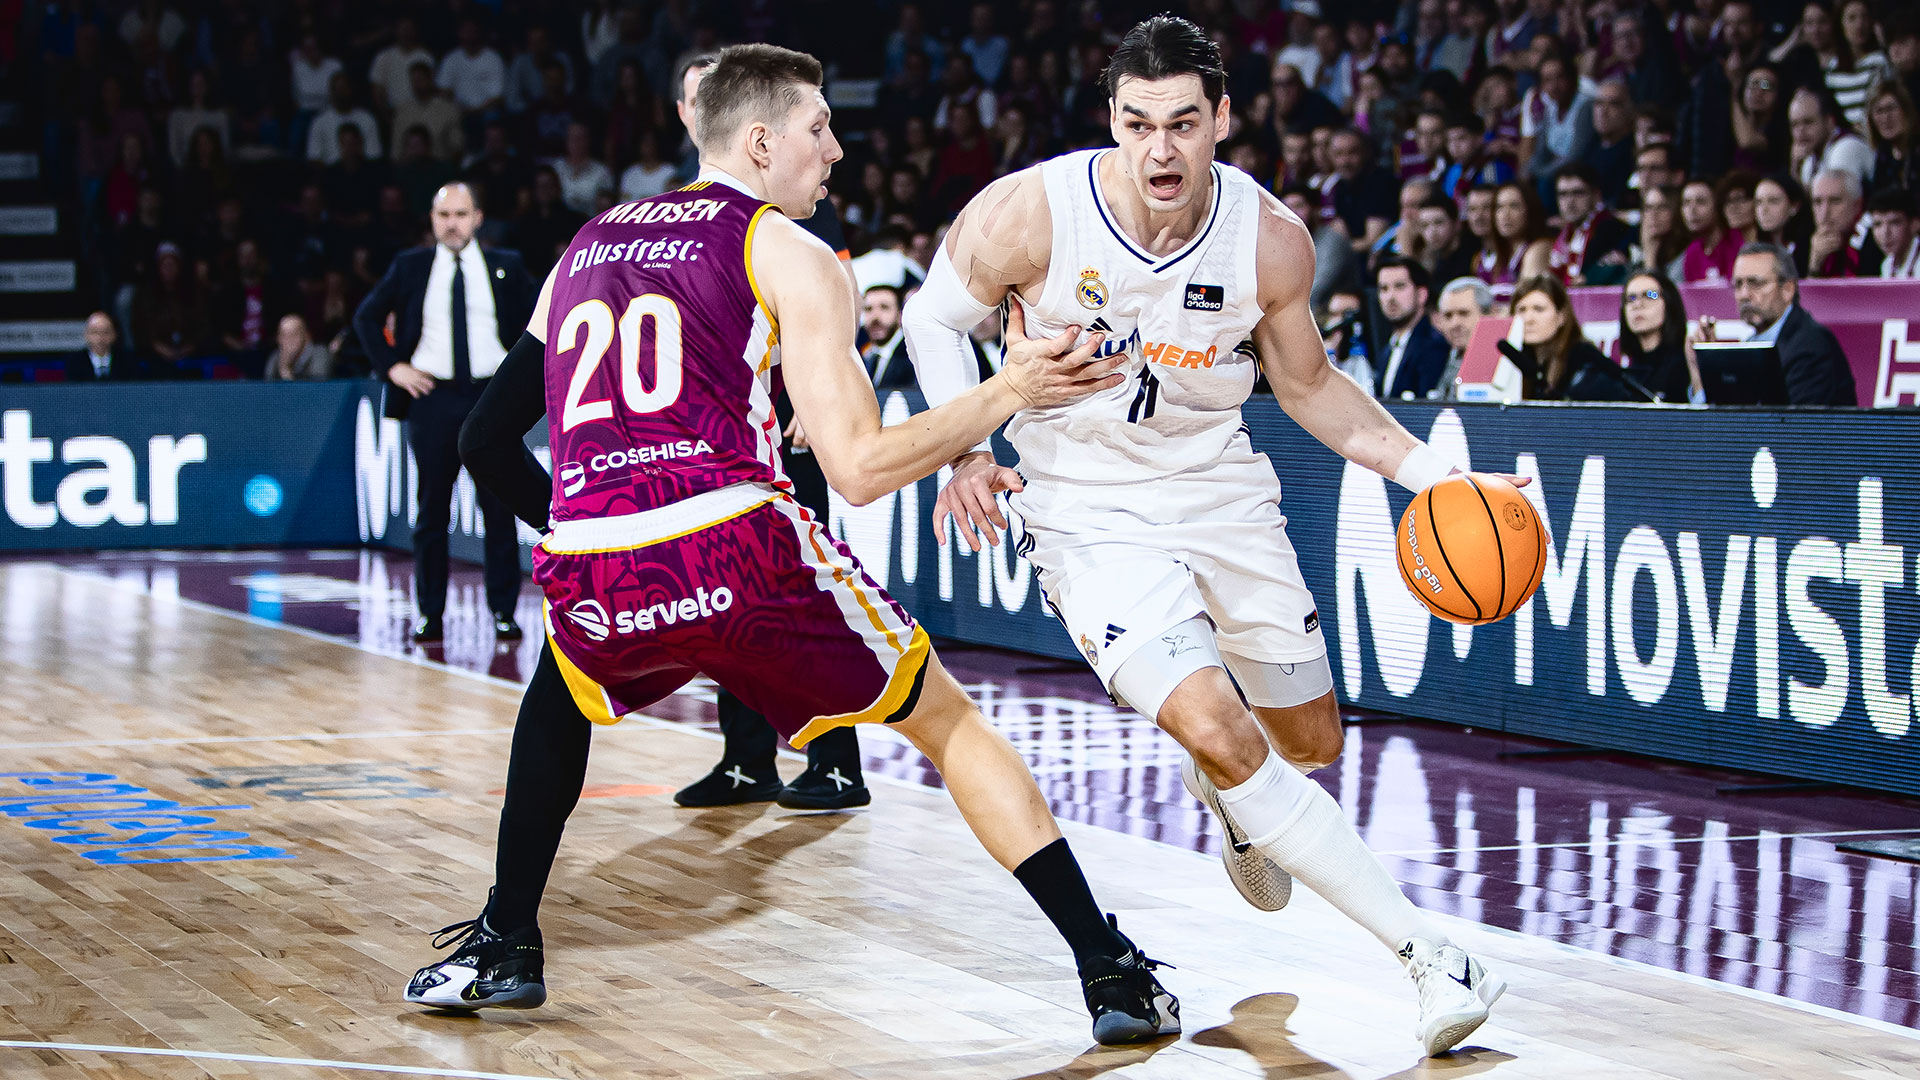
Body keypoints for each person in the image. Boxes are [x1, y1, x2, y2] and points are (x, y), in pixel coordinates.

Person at [410, 43, 1181, 1047]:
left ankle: (506, 939)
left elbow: (489, 433)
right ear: (762, 139)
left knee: (557, 697)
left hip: (598, 559)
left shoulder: (585, 242)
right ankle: (1108, 968)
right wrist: (1007, 394)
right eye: (819, 128)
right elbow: (858, 468)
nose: (838, 149)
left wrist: (576, 530)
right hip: (732, 544)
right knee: (947, 724)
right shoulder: (790, 253)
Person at [906, 17, 1510, 1057]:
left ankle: (1235, 804)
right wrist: (965, 453)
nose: (1161, 149)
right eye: (1139, 124)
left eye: (1184, 122)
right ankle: (1431, 959)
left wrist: (1436, 478)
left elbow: (1312, 386)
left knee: (1309, 743)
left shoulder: (1269, 238)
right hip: (1087, 512)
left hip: (1222, 493)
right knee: (1223, 732)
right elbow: (931, 319)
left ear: (1222, 119)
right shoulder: (1033, 214)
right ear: (1112, 121)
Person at [664, 51, 873, 815]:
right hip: (723, 448)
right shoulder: (680, 212)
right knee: (732, 608)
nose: (697, 107)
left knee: (807, 601)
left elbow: (838, 314)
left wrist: (807, 402)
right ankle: (748, 760)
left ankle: (839, 762)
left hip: (791, 426)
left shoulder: (804, 203)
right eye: (689, 98)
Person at [351, 183, 535, 643]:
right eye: (443, 215)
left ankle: (503, 612)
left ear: (478, 217)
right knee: (431, 510)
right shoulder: (410, 266)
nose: (452, 223)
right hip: (432, 398)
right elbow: (365, 317)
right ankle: (430, 613)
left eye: (461, 213)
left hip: (490, 398)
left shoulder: (505, 267)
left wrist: (521, 382)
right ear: (431, 220)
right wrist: (393, 367)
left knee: (498, 508)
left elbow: (539, 321)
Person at [1724, 242, 1858, 404]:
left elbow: (1795, 424)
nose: (1744, 295)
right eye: (1738, 284)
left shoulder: (1810, 346)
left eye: (1756, 283)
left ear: (1787, 289)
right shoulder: (1753, 344)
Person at [1508, 274, 1642, 401]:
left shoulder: (1586, 362)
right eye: (1521, 310)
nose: (1528, 319)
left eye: (1539, 309)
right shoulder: (1515, 361)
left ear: (1561, 316)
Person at [1372, 256, 1450, 400]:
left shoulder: (1434, 345)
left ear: (1421, 294)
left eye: (1399, 286)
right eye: (1384, 289)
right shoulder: (1387, 348)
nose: (1390, 297)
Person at [1617, 269, 1700, 403]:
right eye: (1631, 298)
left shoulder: (1686, 366)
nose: (1638, 304)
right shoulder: (1626, 375)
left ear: (1669, 303)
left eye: (1650, 295)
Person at [1547, 164, 1632, 286]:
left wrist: (1589, 279)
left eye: (1578, 193)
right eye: (1563, 194)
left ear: (1596, 195)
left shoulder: (1612, 230)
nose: (1570, 201)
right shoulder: (1562, 233)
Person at [1477, 180, 1552, 302]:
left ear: (1530, 210)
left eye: (1514, 206)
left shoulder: (1539, 248)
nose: (1505, 214)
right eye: (1499, 207)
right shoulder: (1492, 257)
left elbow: (1527, 300)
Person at [1790, 85, 1875, 191]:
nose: (1800, 131)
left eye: (1808, 122)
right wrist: (1795, 170)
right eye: (1794, 125)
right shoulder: (1809, 159)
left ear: (1829, 122)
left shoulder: (1846, 147)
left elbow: (1832, 197)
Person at [1431, 277, 1493, 400]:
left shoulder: (1500, 363)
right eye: (1448, 315)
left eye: (1463, 313)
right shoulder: (1441, 356)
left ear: (1488, 315)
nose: (1455, 323)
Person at [1807, 167, 1874, 276]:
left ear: (1857, 205)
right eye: (1817, 202)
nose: (1825, 212)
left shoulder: (1875, 237)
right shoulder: (1807, 239)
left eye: (1835, 201)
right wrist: (1815, 266)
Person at [64, 311, 143, 382]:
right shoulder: (74, 362)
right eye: (94, 332)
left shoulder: (127, 361)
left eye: (105, 332)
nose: (100, 338)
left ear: (114, 335)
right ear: (86, 335)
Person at [263, 314, 334, 381]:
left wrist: (285, 371)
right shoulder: (275, 357)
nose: (288, 340)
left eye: (293, 334)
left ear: (306, 336)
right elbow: (267, 388)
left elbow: (316, 389)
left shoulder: (320, 353)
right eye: (283, 335)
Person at [1870, 187, 1919, 277]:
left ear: (1915, 224)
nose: (1885, 233)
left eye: (1894, 223)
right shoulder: (1887, 264)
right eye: (1877, 224)